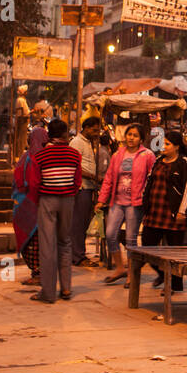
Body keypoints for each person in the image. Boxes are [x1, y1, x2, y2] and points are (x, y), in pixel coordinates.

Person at [31, 118, 82, 304]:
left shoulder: (41, 156)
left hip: (47, 200)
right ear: (65, 134)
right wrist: (69, 193)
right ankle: (66, 288)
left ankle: (48, 292)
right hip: (68, 200)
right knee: (65, 242)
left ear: (49, 135)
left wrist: (39, 201)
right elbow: (77, 182)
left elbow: (35, 183)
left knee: (47, 246)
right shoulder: (75, 155)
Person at [98, 123, 155, 284]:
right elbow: (109, 178)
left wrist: (147, 199)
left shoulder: (147, 155)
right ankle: (119, 268)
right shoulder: (117, 154)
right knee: (110, 234)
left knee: (131, 239)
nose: (131, 138)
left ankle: (132, 272)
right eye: (129, 134)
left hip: (134, 204)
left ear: (141, 139)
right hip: (117, 201)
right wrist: (102, 199)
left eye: (135, 135)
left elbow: (152, 179)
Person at [141, 130, 187, 291]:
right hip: (155, 211)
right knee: (147, 246)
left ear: (177, 146)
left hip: (174, 213)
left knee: (175, 251)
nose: (163, 146)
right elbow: (149, 181)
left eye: (167, 144)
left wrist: (182, 211)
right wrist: (145, 203)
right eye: (163, 143)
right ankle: (163, 274)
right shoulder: (158, 161)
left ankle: (176, 284)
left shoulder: (184, 163)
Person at [12, 127, 48, 287]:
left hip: (27, 204)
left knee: (32, 242)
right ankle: (38, 273)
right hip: (37, 204)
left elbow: (29, 182)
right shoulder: (43, 157)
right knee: (35, 241)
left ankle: (38, 273)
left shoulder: (30, 157)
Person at [69, 116, 102, 267]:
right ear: (86, 128)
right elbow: (75, 166)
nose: (97, 133)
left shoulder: (88, 143)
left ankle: (77, 254)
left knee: (83, 223)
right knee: (79, 223)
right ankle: (78, 256)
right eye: (95, 130)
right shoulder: (76, 142)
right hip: (81, 187)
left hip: (88, 187)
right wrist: (94, 177)